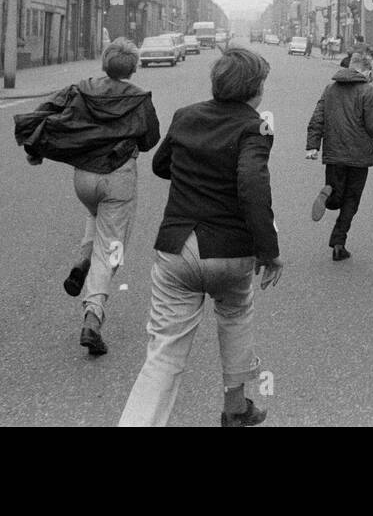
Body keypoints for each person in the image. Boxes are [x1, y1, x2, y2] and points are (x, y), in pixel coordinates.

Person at [118, 48, 282, 428]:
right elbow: (252, 186)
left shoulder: (186, 116)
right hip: (230, 252)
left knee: (164, 354)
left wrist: (195, 172)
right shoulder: (254, 126)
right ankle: (235, 407)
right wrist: (268, 251)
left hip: (178, 248)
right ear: (254, 90)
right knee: (236, 313)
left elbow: (162, 165)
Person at [13, 38, 160, 356]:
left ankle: (83, 261)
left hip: (83, 179)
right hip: (118, 177)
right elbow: (150, 139)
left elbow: (44, 113)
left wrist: (35, 150)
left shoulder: (79, 88)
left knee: (96, 218)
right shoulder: (138, 98)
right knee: (111, 250)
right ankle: (92, 318)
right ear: (133, 68)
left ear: (104, 61)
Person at [306, 52, 373, 260]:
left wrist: (313, 145)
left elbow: (318, 117)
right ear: (367, 71)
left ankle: (328, 196)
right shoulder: (368, 92)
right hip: (359, 156)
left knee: (336, 196)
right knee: (352, 200)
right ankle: (338, 243)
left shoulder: (330, 89)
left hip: (334, 153)